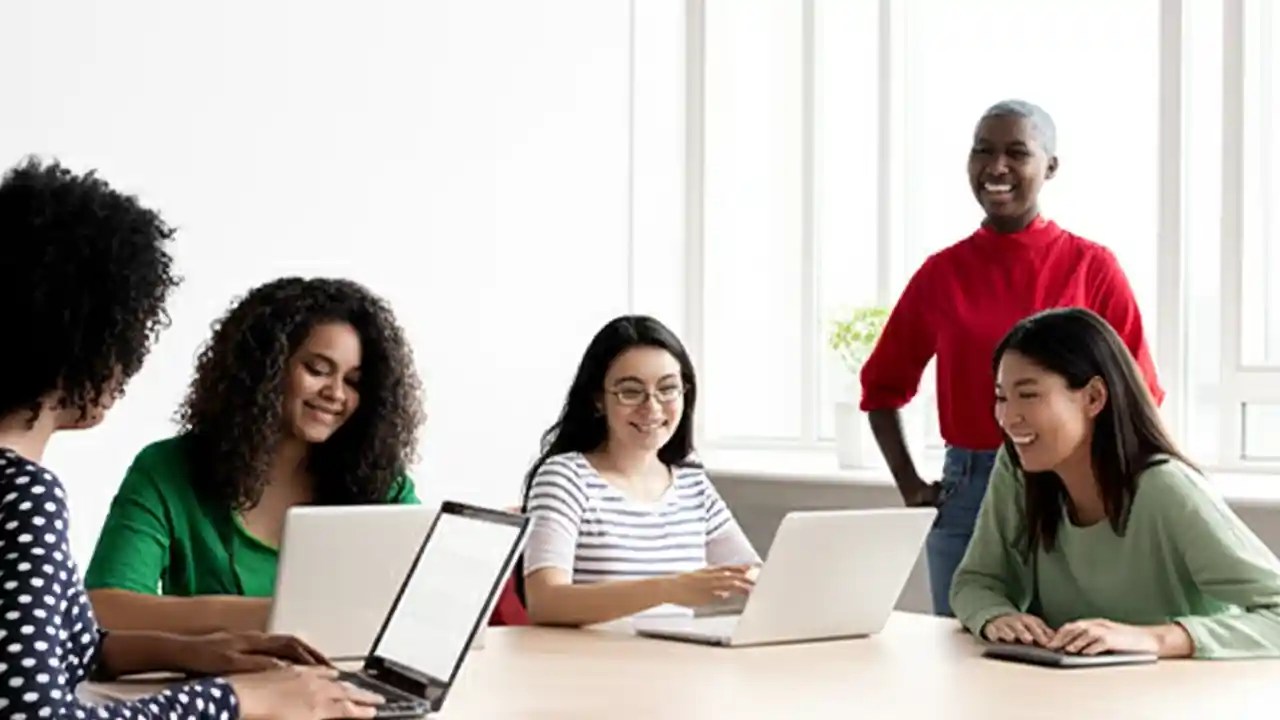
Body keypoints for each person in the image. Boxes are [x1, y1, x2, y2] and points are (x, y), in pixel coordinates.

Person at [0, 157, 381, 717]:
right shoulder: (22, 496)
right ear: (86, 339)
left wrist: (198, 652)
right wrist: (237, 698)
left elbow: (74, 648)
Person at [859, 99, 1164, 616]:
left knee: (1071, 649)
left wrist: (1127, 488)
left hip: (1073, 490)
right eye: (983, 151)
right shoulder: (942, 273)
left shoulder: (1091, 266)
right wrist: (910, 486)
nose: (996, 167)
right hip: (970, 491)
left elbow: (1141, 392)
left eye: (1016, 153)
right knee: (961, 650)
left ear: (1050, 166)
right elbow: (881, 387)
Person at [85, 276, 425, 635]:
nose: (336, 393)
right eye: (317, 370)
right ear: (264, 368)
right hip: (207, 673)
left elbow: (426, 609)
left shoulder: (382, 488)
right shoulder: (169, 469)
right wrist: (277, 617)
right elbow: (105, 608)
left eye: (353, 382)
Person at [951, 307, 1280, 658]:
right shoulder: (1019, 469)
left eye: (1028, 395)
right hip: (1068, 688)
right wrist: (996, 615)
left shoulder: (1166, 488)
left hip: (1177, 689)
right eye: (1001, 397)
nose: (1007, 417)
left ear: (1094, 397)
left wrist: (1157, 639)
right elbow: (978, 581)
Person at [520, 315, 760, 626]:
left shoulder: (692, 482)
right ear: (598, 400)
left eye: (668, 389)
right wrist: (669, 589)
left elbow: (753, 574)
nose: (652, 407)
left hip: (675, 655)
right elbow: (546, 601)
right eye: (631, 392)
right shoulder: (565, 478)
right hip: (592, 657)